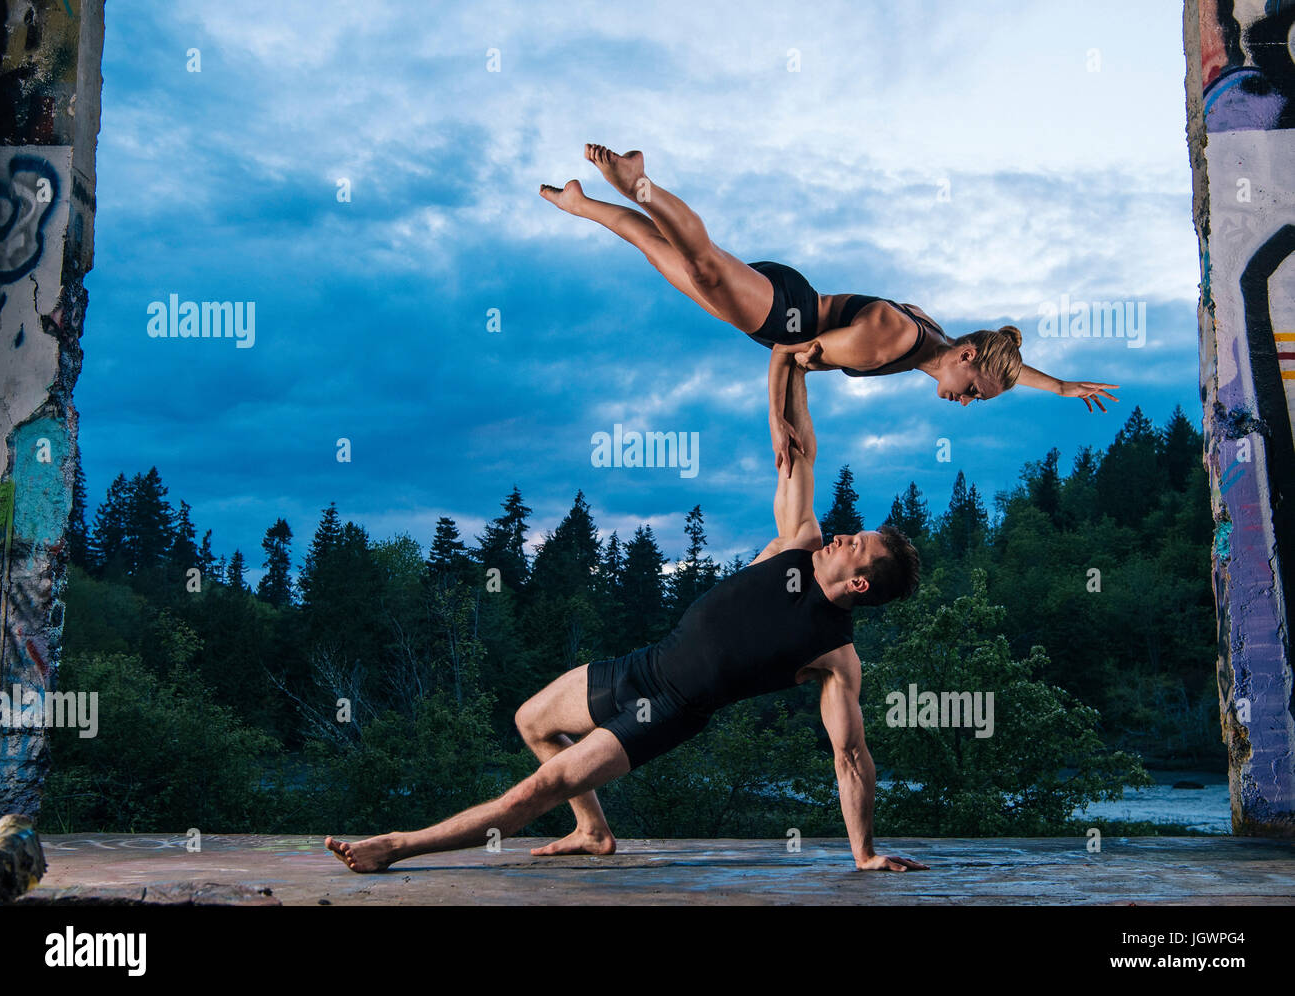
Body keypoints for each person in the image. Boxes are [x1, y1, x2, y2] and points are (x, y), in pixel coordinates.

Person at [326, 361, 927, 873]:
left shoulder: (833, 653)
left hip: (667, 711)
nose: (844, 536)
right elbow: (797, 447)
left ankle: (396, 848)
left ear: (860, 581)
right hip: (639, 666)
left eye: (857, 544)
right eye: (852, 533)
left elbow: (850, 758)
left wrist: (864, 853)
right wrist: (794, 364)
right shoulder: (796, 542)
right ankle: (593, 833)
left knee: (542, 787)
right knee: (531, 720)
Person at [541, 145, 1119, 471]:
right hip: (781, 315)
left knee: (660, 249)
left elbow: (1002, 358)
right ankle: (639, 183)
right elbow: (787, 355)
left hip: (793, 294)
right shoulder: (891, 340)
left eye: (976, 400)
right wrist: (777, 420)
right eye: (973, 390)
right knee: (704, 265)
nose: (966, 402)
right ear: (965, 355)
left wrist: (1060, 385)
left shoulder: (936, 338)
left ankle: (581, 202)